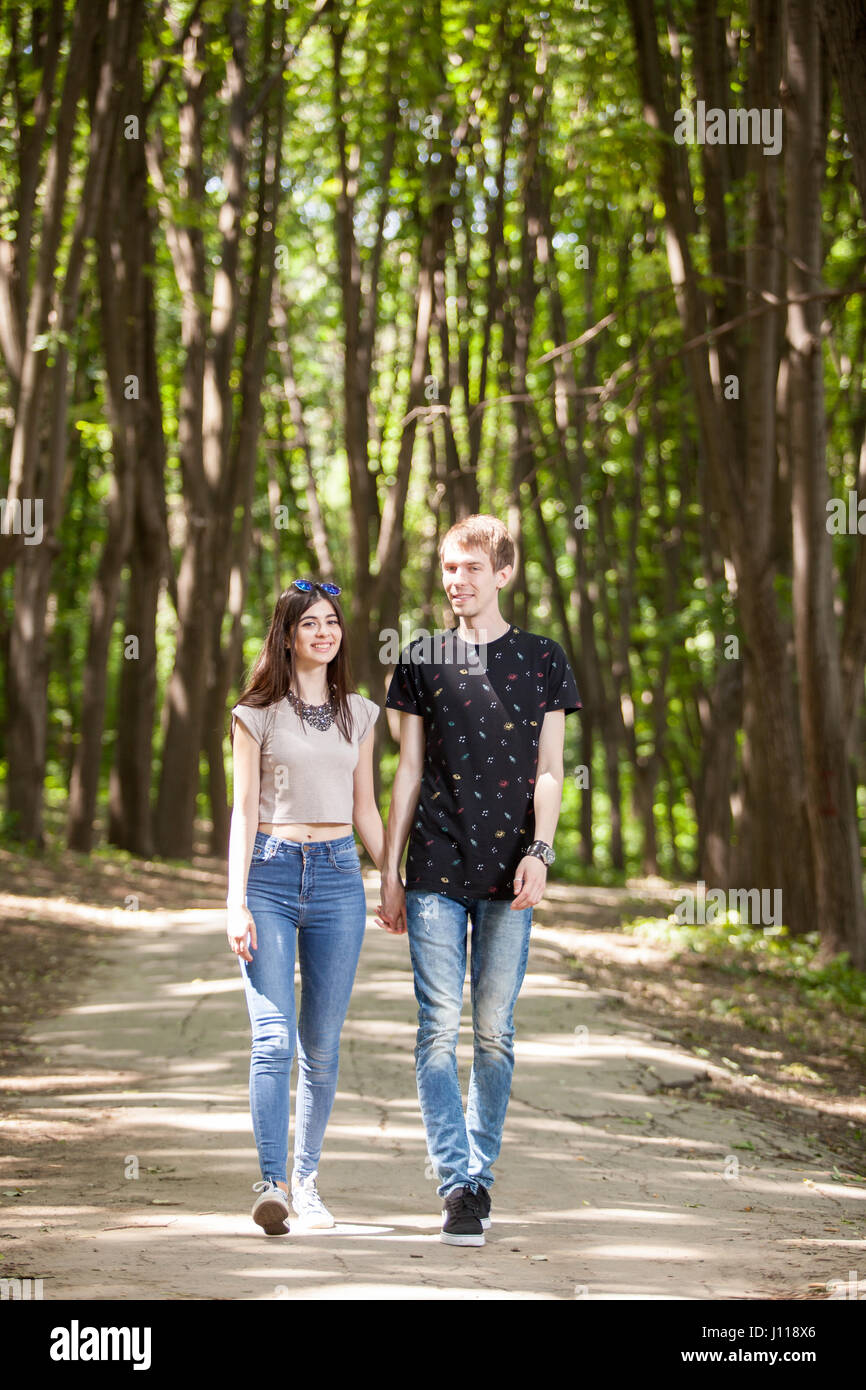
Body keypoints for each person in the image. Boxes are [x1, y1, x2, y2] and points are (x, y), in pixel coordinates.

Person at [379, 515, 581, 1246]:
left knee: (493, 1033)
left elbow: (550, 769)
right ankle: (456, 1185)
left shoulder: (543, 660)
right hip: (435, 864)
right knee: (438, 1032)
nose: (455, 579)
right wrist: (390, 871)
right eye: (446, 566)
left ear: (502, 573)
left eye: (469, 567)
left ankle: (481, 1173)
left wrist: (543, 851)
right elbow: (404, 773)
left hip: (511, 873)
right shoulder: (420, 660)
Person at [226, 578, 384, 1235]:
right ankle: (273, 1183)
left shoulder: (361, 714)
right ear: (287, 635)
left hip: (340, 880)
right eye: (310, 623)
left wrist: (393, 880)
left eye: (332, 622)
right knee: (272, 1039)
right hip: (269, 875)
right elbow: (241, 810)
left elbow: (366, 807)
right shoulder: (255, 713)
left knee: (320, 1044)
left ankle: (310, 1184)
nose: (325, 632)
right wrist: (234, 901)